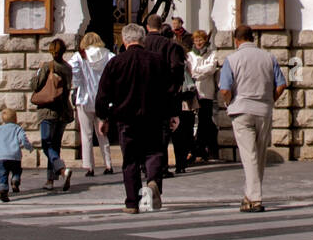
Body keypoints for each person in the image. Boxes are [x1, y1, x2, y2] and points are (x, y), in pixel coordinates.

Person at [94, 23, 179, 214]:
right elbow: (170, 89)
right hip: (154, 117)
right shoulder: (157, 61)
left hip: (126, 119)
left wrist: (103, 117)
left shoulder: (116, 62)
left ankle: (132, 203)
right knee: (154, 152)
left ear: (124, 41)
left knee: (130, 160)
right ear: (143, 40)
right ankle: (152, 181)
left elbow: (103, 94)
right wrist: (173, 113)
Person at [219, 26, 287, 213]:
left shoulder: (231, 59)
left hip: (241, 109)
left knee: (249, 155)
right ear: (253, 38)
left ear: (236, 40)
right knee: (259, 154)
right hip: (264, 110)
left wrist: (228, 102)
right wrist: (269, 100)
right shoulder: (269, 57)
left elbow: (225, 89)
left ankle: (255, 198)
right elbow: (281, 85)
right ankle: (250, 196)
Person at [142, 14, 186, 175]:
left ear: (147, 27)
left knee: (145, 131)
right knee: (162, 132)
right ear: (161, 27)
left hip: (144, 95)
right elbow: (176, 69)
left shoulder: (142, 43)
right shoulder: (170, 45)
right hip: (163, 96)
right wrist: (173, 90)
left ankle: (145, 165)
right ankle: (161, 166)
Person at [69, 31, 115, 176]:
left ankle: (89, 166)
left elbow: (73, 73)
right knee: (102, 132)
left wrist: (77, 84)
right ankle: (108, 164)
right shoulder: (108, 55)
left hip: (84, 98)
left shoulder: (79, 56)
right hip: (102, 99)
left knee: (86, 134)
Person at [32, 37, 73, 191]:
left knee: (46, 144)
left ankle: (62, 170)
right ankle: (50, 180)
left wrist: (36, 74)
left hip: (48, 111)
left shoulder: (48, 66)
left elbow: (36, 85)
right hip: (63, 111)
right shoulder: (68, 68)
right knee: (55, 145)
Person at [0, 107, 33, 202]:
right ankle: (15, 180)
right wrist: (29, 147)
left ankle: (3, 190)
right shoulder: (18, 129)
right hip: (15, 156)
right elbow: (23, 139)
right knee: (17, 171)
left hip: (2, 157)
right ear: (15, 118)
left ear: (3, 119)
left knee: (2, 174)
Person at [187, 31, 220, 162]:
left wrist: (197, 71)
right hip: (194, 92)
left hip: (207, 92)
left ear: (205, 40)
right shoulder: (190, 55)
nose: (199, 42)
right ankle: (201, 148)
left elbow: (211, 68)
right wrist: (200, 70)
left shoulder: (212, 53)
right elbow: (191, 71)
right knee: (194, 121)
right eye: (196, 40)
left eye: (201, 40)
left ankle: (200, 148)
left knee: (205, 120)